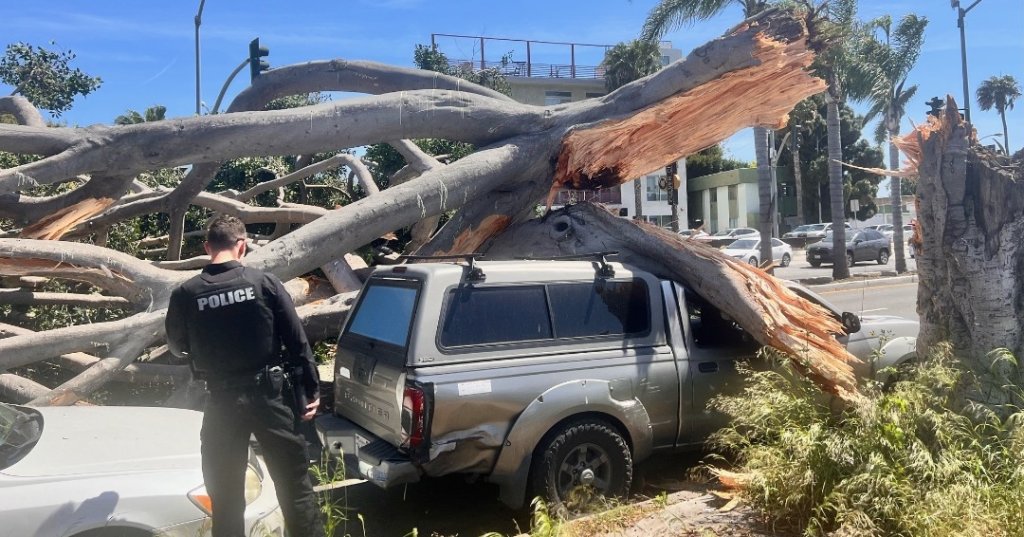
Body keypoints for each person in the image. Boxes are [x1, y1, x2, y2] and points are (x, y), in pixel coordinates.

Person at [166, 215, 324, 537]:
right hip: (271, 399)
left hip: (221, 404)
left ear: (208, 247)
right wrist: (310, 388)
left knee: (225, 500)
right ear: (242, 245)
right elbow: (296, 340)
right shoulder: (264, 283)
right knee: (296, 490)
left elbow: (177, 347)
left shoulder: (185, 294)